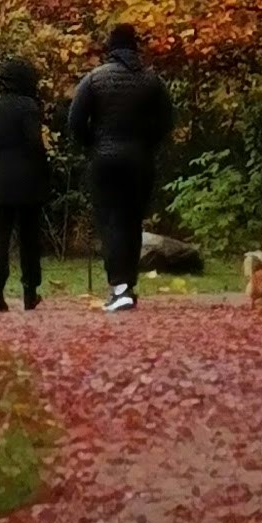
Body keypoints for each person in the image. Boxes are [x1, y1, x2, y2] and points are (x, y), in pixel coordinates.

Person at [62, 23, 173, 313]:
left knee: (110, 221)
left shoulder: (94, 79)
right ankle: (127, 285)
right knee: (132, 221)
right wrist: (147, 145)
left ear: (110, 48)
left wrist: (92, 145)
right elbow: (166, 122)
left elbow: (74, 121)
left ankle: (119, 286)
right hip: (139, 161)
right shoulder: (151, 81)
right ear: (134, 46)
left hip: (104, 161)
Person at [0, 55, 51, 313]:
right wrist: (44, 170)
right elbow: (34, 143)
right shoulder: (28, 107)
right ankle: (30, 290)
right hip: (27, 181)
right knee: (29, 237)